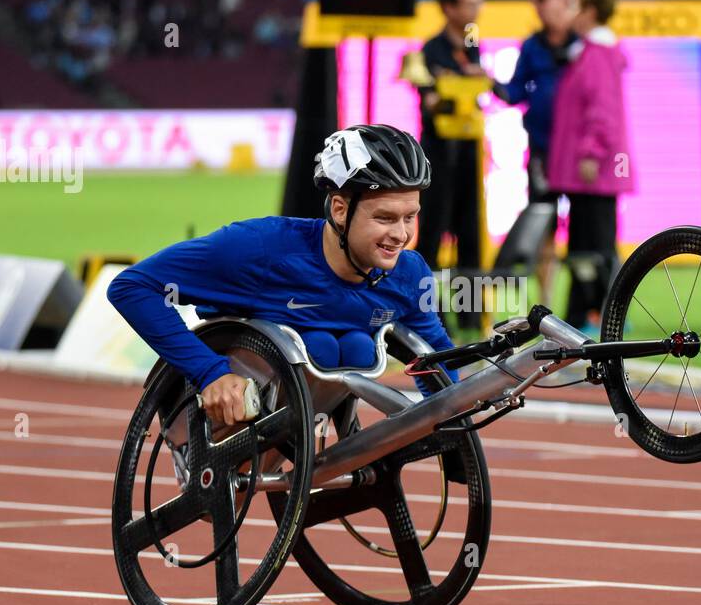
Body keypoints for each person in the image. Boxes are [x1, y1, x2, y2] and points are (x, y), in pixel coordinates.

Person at [107, 125, 458, 428]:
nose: (401, 235)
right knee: (322, 346)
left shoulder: (410, 274)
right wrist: (209, 372)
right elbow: (132, 286)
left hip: (318, 407)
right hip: (219, 408)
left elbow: (435, 356)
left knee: (356, 348)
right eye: (385, 218)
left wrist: (451, 423)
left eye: (410, 217)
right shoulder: (257, 249)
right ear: (339, 209)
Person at [548, 0, 636, 333]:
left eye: (576, 7)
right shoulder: (590, 52)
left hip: (593, 171)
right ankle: (584, 314)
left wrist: (591, 153)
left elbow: (602, 113)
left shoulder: (597, 57)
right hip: (591, 171)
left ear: (591, 12)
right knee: (588, 246)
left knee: (594, 248)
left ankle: (605, 316)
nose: (570, 14)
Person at [494, 0, 579, 303]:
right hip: (543, 150)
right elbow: (515, 92)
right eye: (534, 0)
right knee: (543, 224)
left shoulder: (585, 42)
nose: (538, 6)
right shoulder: (532, 46)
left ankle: (591, 303)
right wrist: (485, 83)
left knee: (588, 228)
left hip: (579, 153)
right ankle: (546, 299)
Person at [414, 0, 487, 334]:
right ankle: (429, 313)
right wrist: (449, 89)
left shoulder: (474, 45)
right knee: (432, 235)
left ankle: (471, 315)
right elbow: (429, 99)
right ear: (448, 7)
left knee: (470, 236)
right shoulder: (430, 50)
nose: (476, 11)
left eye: (479, 3)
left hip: (470, 157)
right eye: (469, 3)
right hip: (439, 158)